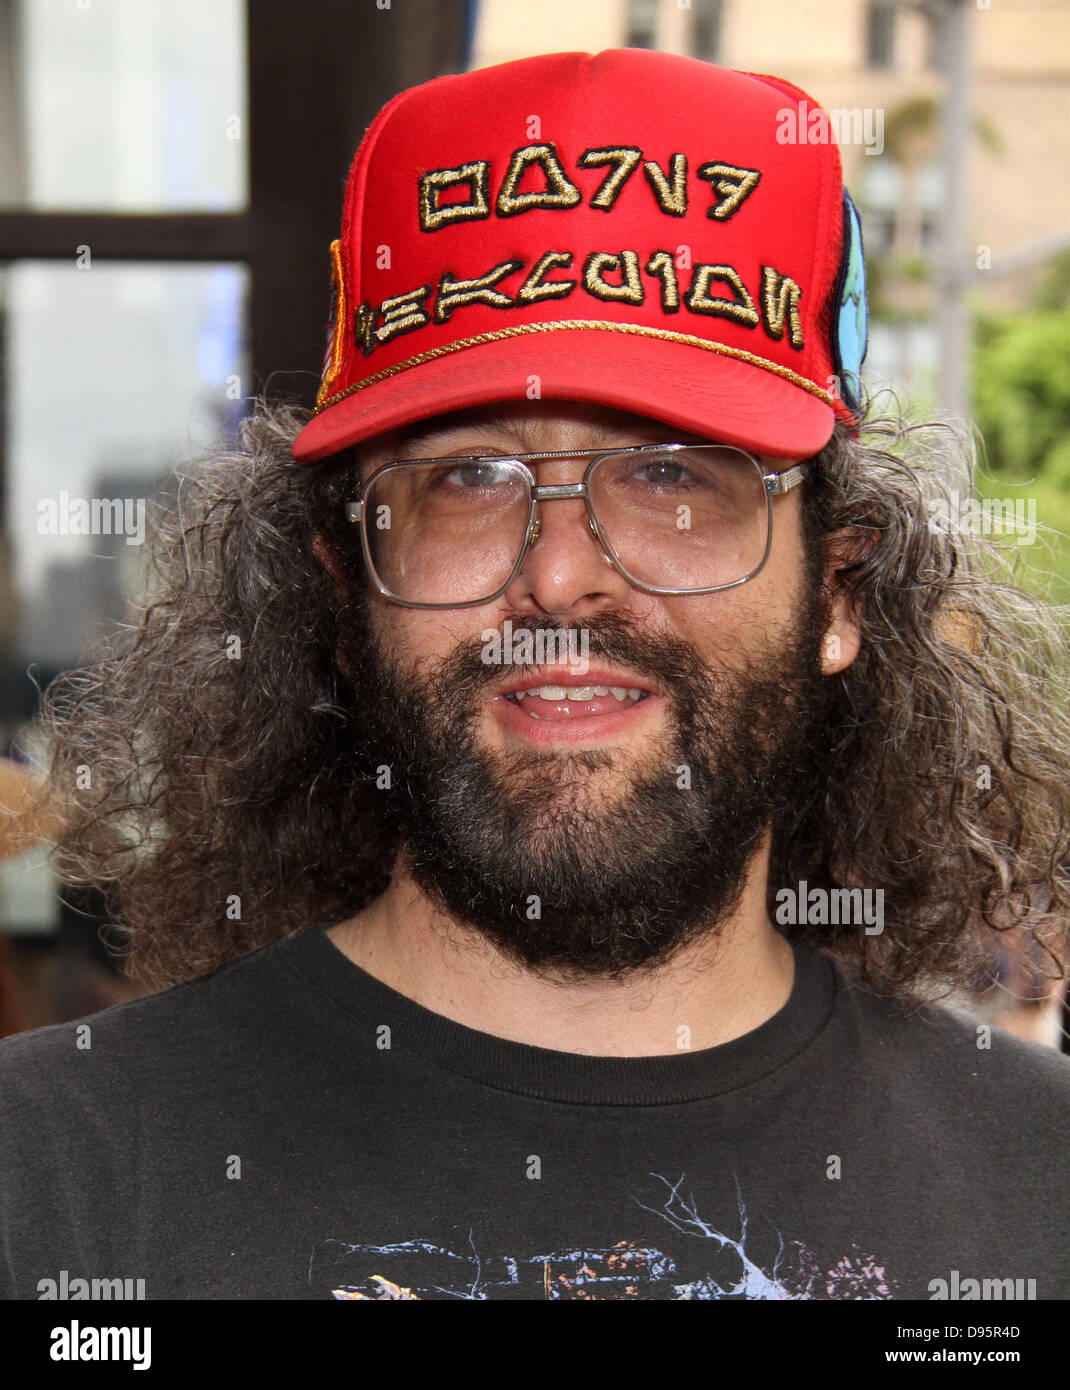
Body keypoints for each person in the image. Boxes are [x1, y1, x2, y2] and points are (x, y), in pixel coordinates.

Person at [1, 48, 1068, 1303]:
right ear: (340, 591)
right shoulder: (45, 1186)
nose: (560, 577)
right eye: (467, 475)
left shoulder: (1036, 1185)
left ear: (835, 594)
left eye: (672, 473)